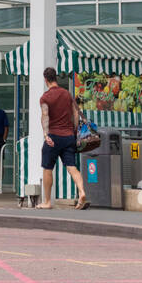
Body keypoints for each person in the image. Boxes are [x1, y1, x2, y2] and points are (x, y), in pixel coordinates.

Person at [40, 67, 88, 210]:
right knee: (72, 167)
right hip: (68, 136)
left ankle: (47, 201)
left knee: (47, 168)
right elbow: (75, 114)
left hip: (53, 137)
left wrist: (45, 134)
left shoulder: (45, 97)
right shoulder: (67, 94)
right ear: (56, 78)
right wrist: (74, 133)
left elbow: (45, 116)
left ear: (45, 80)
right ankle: (82, 192)